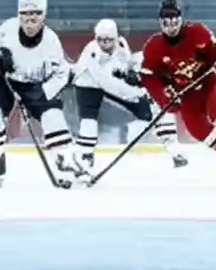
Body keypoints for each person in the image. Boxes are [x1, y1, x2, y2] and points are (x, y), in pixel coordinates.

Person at [139, 0, 216, 189]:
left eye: (174, 20)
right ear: (160, 22)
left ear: (181, 18)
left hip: (208, 86)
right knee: (200, 132)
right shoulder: (154, 47)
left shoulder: (198, 32)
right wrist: (164, 96)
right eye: (166, 21)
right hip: (186, 96)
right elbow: (149, 77)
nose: (170, 26)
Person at [0, 0, 74, 187]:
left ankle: (62, 158)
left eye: (35, 13)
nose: (30, 20)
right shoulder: (6, 29)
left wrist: (44, 94)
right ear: (18, 14)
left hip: (37, 85)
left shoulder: (51, 41)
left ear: (43, 15)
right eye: (25, 13)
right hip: (6, 79)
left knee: (52, 115)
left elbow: (61, 73)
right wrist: (0, 61)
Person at [71, 18, 186, 174]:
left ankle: (173, 146)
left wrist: (137, 73)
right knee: (89, 120)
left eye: (108, 39)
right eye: (100, 39)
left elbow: (127, 65)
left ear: (116, 37)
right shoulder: (92, 53)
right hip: (87, 84)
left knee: (155, 106)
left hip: (116, 84)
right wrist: (138, 93)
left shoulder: (122, 45)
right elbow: (108, 84)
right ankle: (84, 156)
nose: (104, 43)